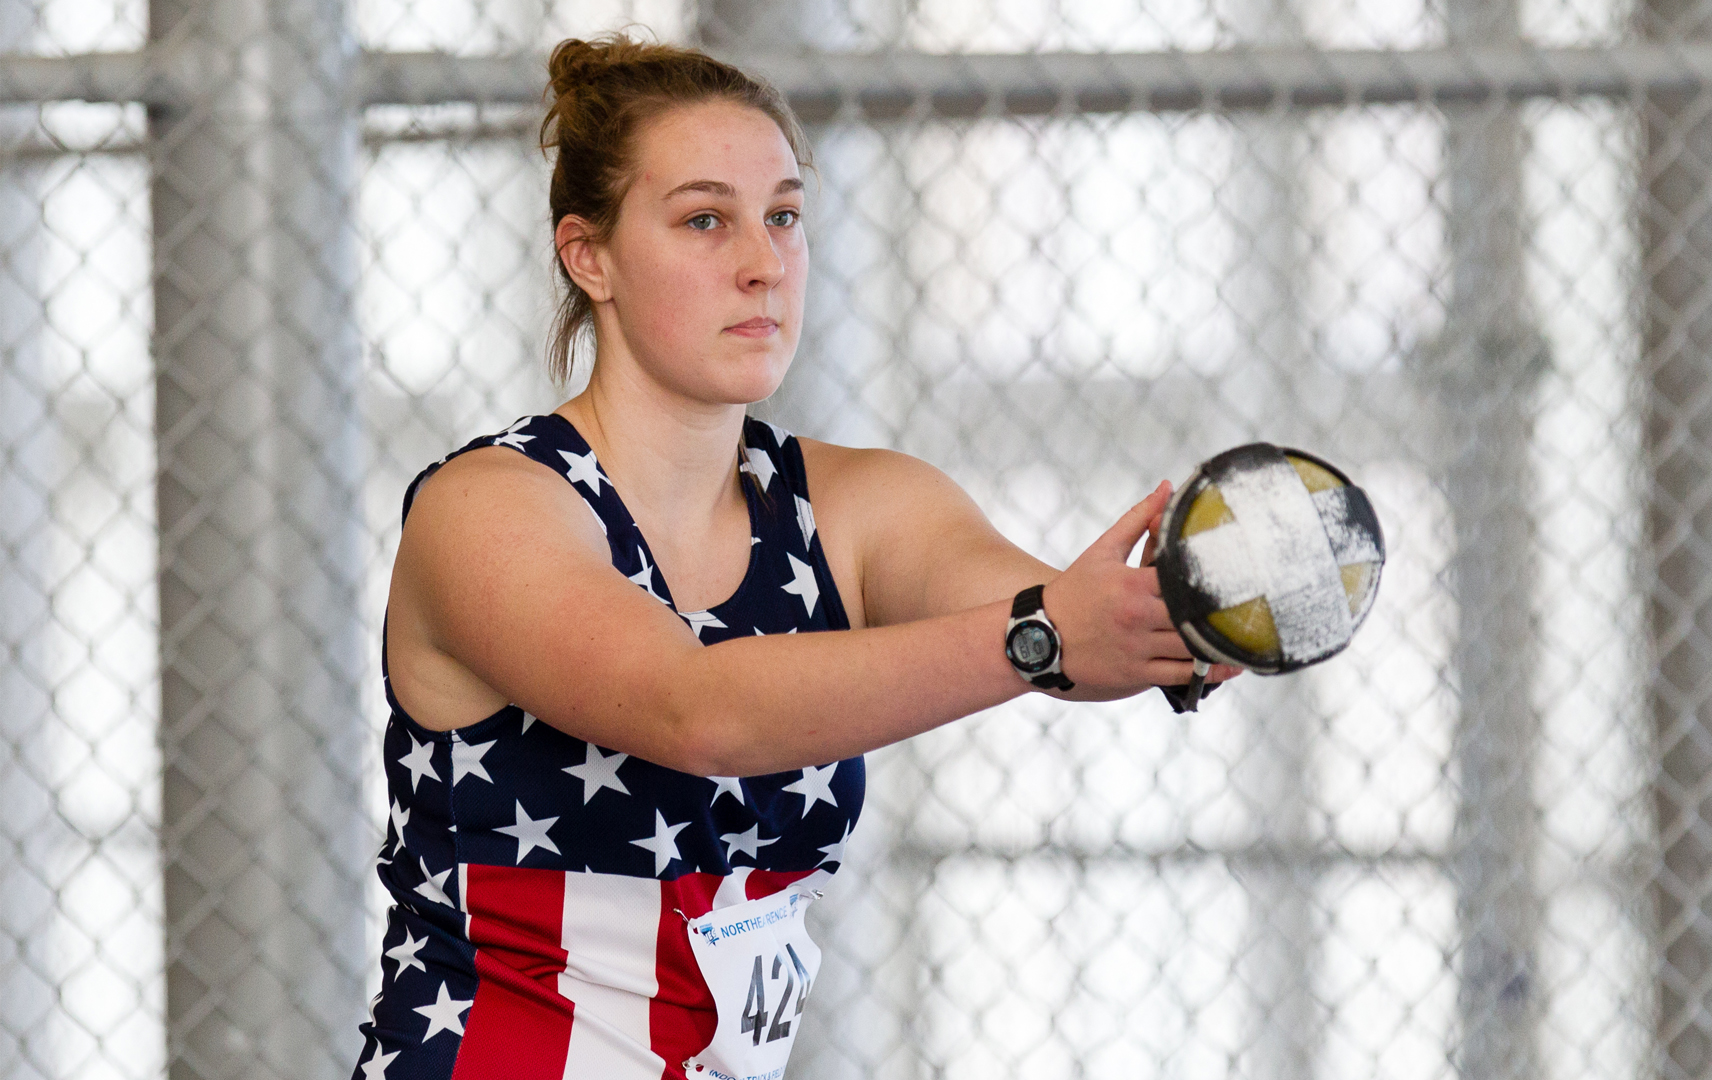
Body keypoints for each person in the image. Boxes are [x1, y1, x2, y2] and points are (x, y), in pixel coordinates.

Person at [351, 33, 1237, 1080]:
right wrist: (1044, 635)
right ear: (588, 256)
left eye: (783, 216)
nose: (763, 262)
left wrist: (1176, 620)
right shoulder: (488, 509)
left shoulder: (859, 504)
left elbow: (1050, 625)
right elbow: (702, 712)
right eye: (704, 219)